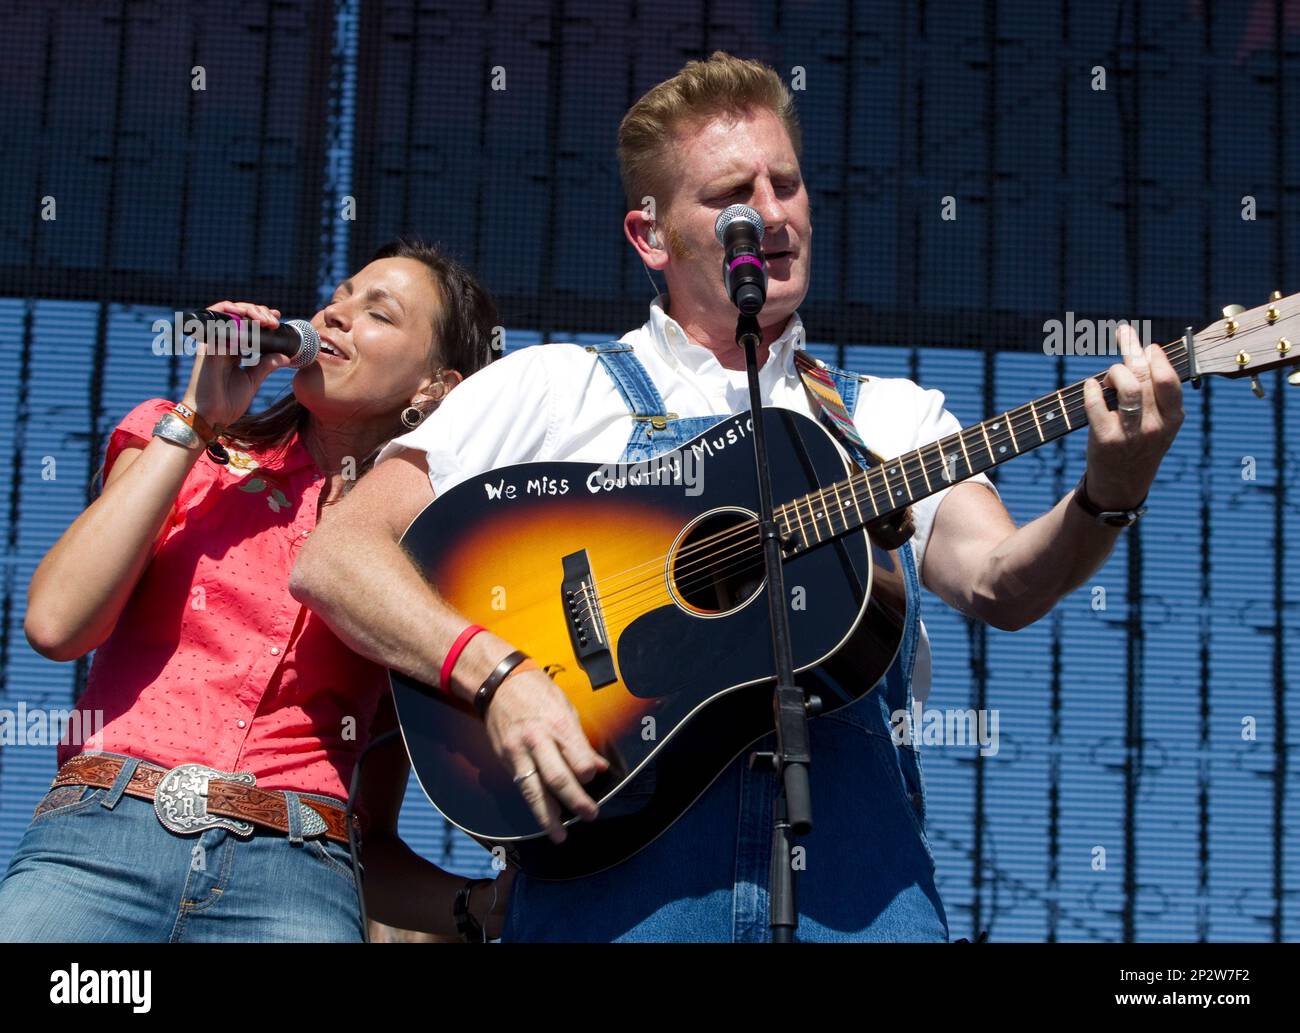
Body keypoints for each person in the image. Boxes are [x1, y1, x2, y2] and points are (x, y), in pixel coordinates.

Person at [289, 54, 1184, 942]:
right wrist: (499, 674)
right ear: (650, 236)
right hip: (615, 900)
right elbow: (338, 555)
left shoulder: (893, 416)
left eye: (787, 183)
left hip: (861, 892)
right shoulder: (549, 387)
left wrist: (1110, 492)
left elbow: (1001, 582)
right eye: (729, 193)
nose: (771, 211)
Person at [0, 237, 513, 942]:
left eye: (377, 313)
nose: (334, 316)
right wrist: (196, 415)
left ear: (437, 388)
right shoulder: (186, 446)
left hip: (295, 876)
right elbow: (56, 623)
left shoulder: (430, 551)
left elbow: (376, 838)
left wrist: (479, 905)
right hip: (96, 845)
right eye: (337, 298)